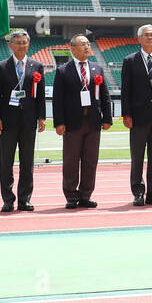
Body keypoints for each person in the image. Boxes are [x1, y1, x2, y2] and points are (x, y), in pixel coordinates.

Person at [53, 34, 111, 209]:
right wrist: (59, 122)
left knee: (90, 160)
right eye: (82, 44)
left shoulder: (97, 69)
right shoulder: (63, 70)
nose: (87, 47)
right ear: (73, 48)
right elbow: (58, 99)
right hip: (72, 122)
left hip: (93, 121)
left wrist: (107, 118)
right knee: (71, 160)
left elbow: (105, 95)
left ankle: (86, 195)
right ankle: (71, 195)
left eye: (87, 44)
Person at [119, 24, 152, 206]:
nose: (150, 38)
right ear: (139, 38)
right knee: (137, 157)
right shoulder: (130, 60)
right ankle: (138, 192)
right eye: (147, 35)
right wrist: (126, 114)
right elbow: (125, 90)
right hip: (138, 116)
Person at [0, 30, 47, 212]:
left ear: (28, 44)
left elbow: (40, 95)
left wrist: (41, 117)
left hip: (29, 120)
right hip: (7, 121)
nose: (21, 46)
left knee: (27, 162)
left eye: (24, 42)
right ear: (10, 45)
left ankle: (25, 199)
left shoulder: (37, 66)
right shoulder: (1, 67)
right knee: (6, 162)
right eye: (17, 42)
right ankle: (8, 199)